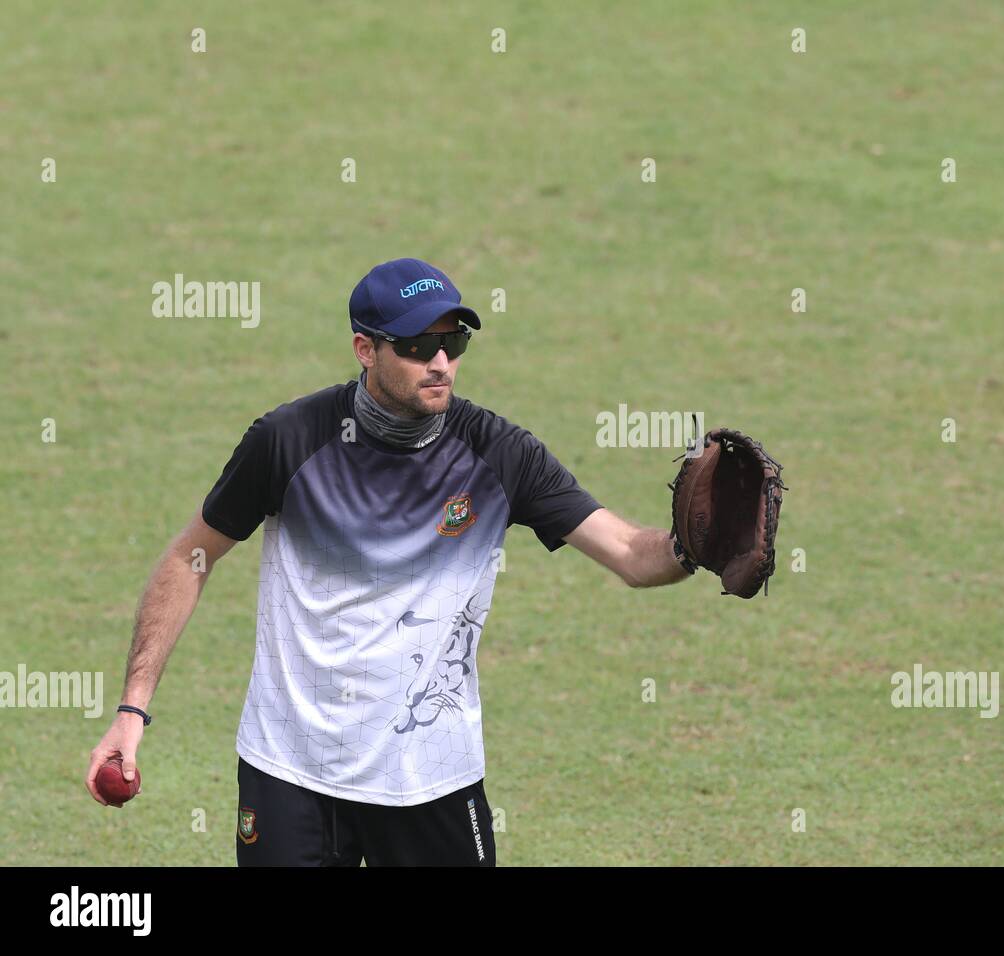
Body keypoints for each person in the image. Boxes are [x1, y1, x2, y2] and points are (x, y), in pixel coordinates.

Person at [85, 257, 692, 865]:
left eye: (454, 342)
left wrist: (692, 547)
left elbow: (634, 558)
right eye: (417, 345)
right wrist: (133, 709)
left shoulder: (500, 455)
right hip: (292, 774)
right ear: (364, 349)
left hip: (432, 779)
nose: (440, 363)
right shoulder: (288, 441)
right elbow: (190, 557)